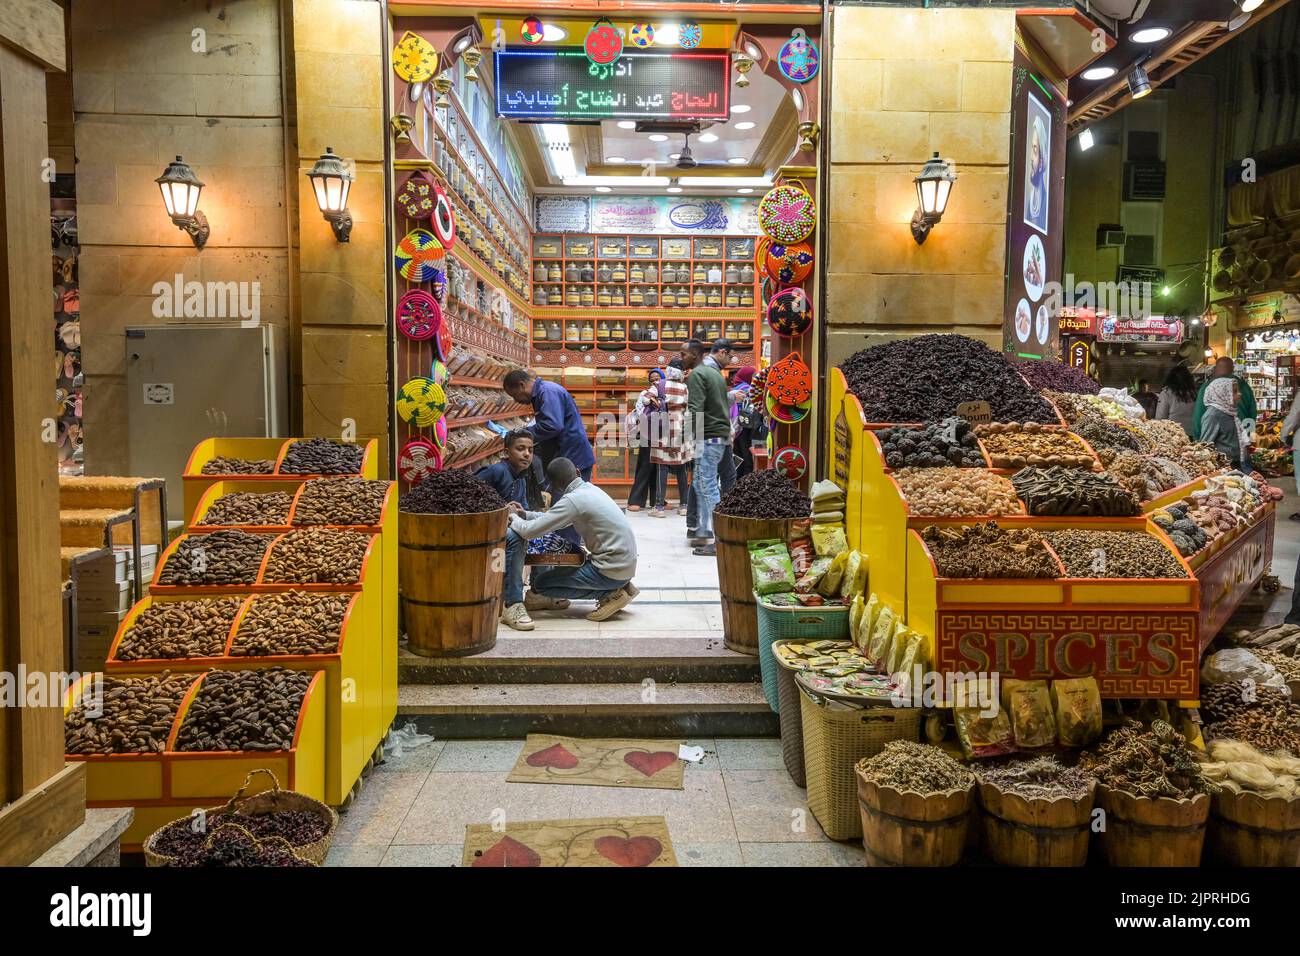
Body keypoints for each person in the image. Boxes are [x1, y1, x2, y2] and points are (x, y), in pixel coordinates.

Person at [500, 457, 639, 630]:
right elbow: (554, 518)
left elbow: (529, 532)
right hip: (624, 567)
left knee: (541, 584)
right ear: (578, 473)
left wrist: (512, 516)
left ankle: (610, 594)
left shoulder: (573, 500)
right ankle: (620, 587)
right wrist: (525, 515)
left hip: (610, 571)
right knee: (560, 576)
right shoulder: (590, 490)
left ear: (556, 486)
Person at [681, 338, 731, 556]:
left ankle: (720, 538)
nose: (681, 358)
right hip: (717, 435)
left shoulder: (698, 375)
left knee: (708, 485)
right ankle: (705, 530)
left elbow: (695, 410)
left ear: (695, 354)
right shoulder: (715, 374)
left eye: (684, 354)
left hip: (708, 437)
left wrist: (685, 438)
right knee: (703, 483)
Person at [503, 368, 596, 481]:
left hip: (572, 456)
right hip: (566, 454)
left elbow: (552, 425)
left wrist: (523, 434)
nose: (516, 400)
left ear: (521, 385)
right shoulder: (542, 393)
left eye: (514, 395)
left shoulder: (548, 392)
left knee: (570, 496)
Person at [649, 364, 690, 518]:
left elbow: (646, 400)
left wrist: (657, 402)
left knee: (662, 468)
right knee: (681, 469)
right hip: (680, 429)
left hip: (662, 429)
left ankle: (659, 508)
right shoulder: (684, 388)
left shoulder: (659, 384)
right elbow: (689, 408)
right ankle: (684, 506)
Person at [475, 429, 546, 510]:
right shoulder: (496, 471)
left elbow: (524, 507)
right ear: (506, 453)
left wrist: (523, 513)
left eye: (530, 450)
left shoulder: (522, 478)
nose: (527, 454)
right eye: (520, 449)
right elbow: (468, 495)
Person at [625, 369, 663, 511]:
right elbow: (640, 412)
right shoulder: (644, 394)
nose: (655, 380)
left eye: (658, 377)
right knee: (645, 465)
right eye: (652, 379)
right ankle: (636, 499)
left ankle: (658, 500)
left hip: (662, 433)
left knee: (659, 467)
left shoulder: (667, 392)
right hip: (648, 432)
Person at [1192, 357, 1257, 440]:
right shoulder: (1243, 386)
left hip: (1217, 440)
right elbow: (1251, 414)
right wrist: (1249, 438)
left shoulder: (1208, 387)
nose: (1238, 394)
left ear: (1215, 369)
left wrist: (1197, 439)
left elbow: (1199, 414)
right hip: (1241, 437)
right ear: (1233, 369)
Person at [1198, 377, 1246, 470]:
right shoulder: (1213, 415)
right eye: (1235, 392)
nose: (1239, 394)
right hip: (1223, 467)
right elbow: (1205, 445)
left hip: (1235, 463)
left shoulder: (1230, 411)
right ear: (1222, 394)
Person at [729, 366, 758, 478]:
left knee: (737, 457)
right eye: (752, 376)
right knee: (747, 458)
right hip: (745, 428)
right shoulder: (748, 389)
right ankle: (745, 485)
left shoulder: (733, 390)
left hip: (734, 428)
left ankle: (736, 484)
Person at [1155, 364, 1198, 437]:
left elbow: (1160, 417)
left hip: (1174, 435)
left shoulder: (1167, 393)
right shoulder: (1195, 393)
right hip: (1193, 434)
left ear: (1170, 378)